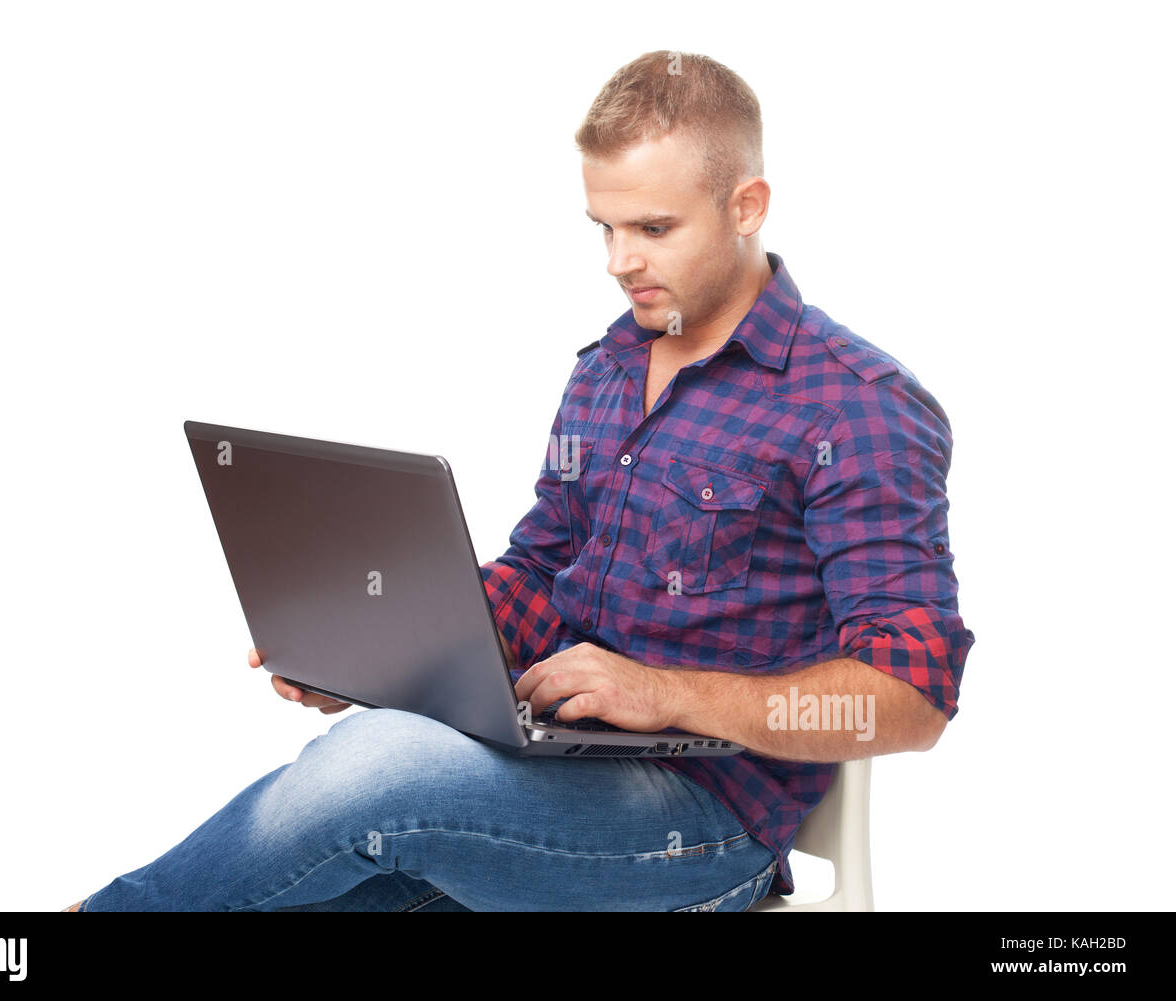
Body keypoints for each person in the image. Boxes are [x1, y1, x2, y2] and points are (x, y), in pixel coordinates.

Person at [66, 49, 974, 912]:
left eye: (653, 228)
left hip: (701, 822)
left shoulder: (856, 405)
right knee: (321, 862)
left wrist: (664, 691)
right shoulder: (608, 370)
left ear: (747, 206)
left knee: (375, 770)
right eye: (605, 228)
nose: (620, 261)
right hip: (548, 773)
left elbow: (911, 695)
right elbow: (540, 577)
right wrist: (381, 651)